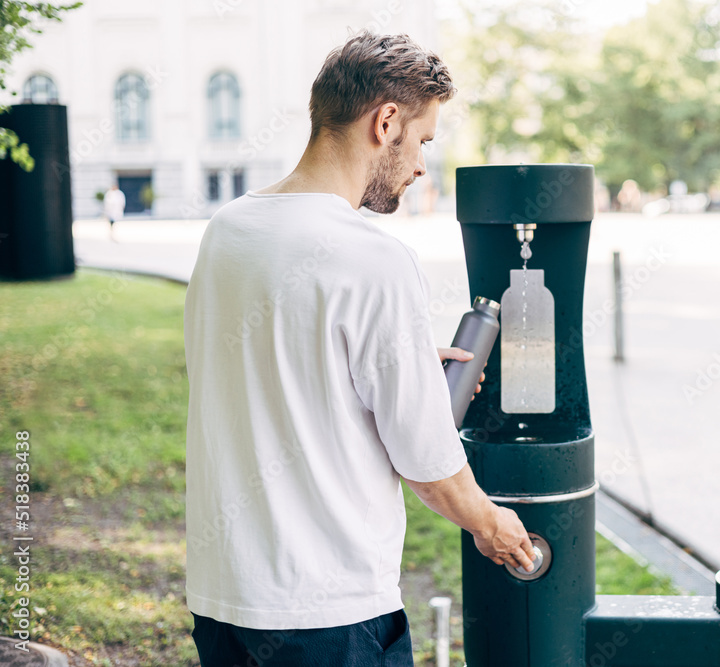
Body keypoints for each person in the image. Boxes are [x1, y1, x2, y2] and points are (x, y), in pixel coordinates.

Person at [184, 31, 534, 667]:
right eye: (424, 140)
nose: (423, 164)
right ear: (387, 121)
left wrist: (394, 364)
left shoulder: (227, 231)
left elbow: (266, 363)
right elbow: (428, 463)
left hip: (223, 599)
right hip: (327, 612)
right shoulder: (373, 258)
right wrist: (492, 525)